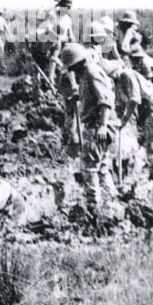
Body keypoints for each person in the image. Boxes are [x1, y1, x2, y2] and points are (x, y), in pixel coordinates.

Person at [60, 42, 117, 218]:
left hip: (97, 126)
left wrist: (102, 125)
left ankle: (94, 208)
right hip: (95, 125)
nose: (72, 71)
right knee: (102, 168)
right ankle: (110, 203)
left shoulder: (92, 72)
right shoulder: (86, 74)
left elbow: (105, 100)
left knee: (89, 168)